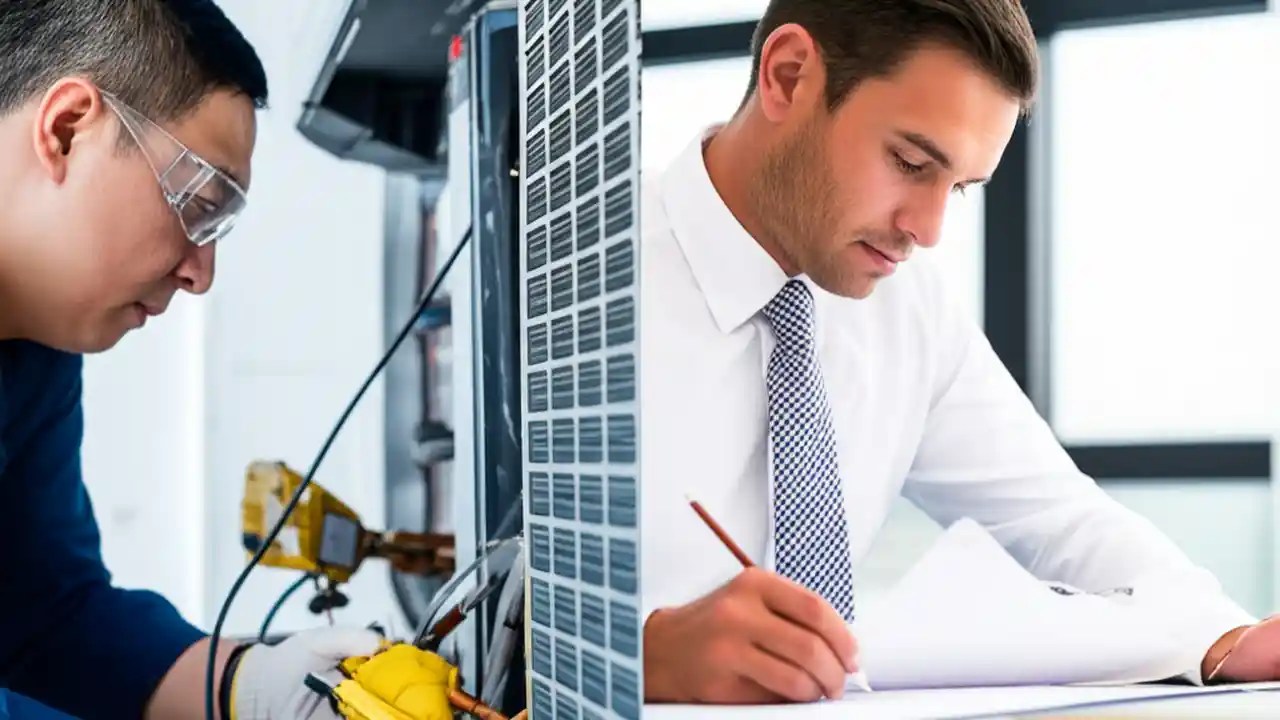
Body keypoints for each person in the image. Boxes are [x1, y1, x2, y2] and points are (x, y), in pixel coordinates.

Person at [639, 0, 1280, 705]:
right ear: (789, 77)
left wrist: (1221, 639)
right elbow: (495, 588)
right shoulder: (557, 283)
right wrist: (641, 654)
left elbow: (1058, 519)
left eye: (962, 188)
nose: (930, 229)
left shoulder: (908, 310)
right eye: (911, 162)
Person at [0, 2, 380, 718]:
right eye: (198, 205)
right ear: (67, 130)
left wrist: (253, 688)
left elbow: (48, 619)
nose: (200, 274)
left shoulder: (35, 354)